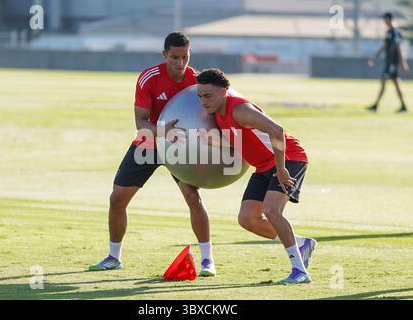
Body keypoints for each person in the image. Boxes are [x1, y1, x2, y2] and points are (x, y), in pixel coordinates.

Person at [89, 32, 216, 277]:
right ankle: (113, 257)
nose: (180, 64)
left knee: (193, 198)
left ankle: (208, 261)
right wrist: (161, 131)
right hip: (151, 140)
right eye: (174, 57)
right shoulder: (149, 78)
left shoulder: (198, 81)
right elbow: (140, 122)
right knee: (117, 199)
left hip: (181, 146)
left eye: (185, 57)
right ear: (164, 55)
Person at [195, 68, 316, 284]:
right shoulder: (217, 113)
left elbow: (277, 131)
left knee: (271, 210)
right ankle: (300, 244)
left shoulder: (240, 109)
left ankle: (300, 271)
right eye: (200, 96)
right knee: (247, 219)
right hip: (263, 166)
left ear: (224, 92)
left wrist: (280, 168)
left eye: (208, 96)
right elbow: (240, 140)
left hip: (289, 158)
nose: (203, 101)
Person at [367, 12, 410, 113]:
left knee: (384, 80)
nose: (384, 22)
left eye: (385, 20)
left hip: (392, 63)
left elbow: (399, 47)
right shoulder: (389, 32)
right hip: (389, 63)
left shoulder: (394, 32)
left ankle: (375, 105)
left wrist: (403, 62)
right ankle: (403, 106)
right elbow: (385, 46)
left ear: (389, 19)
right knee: (395, 83)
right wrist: (375, 57)